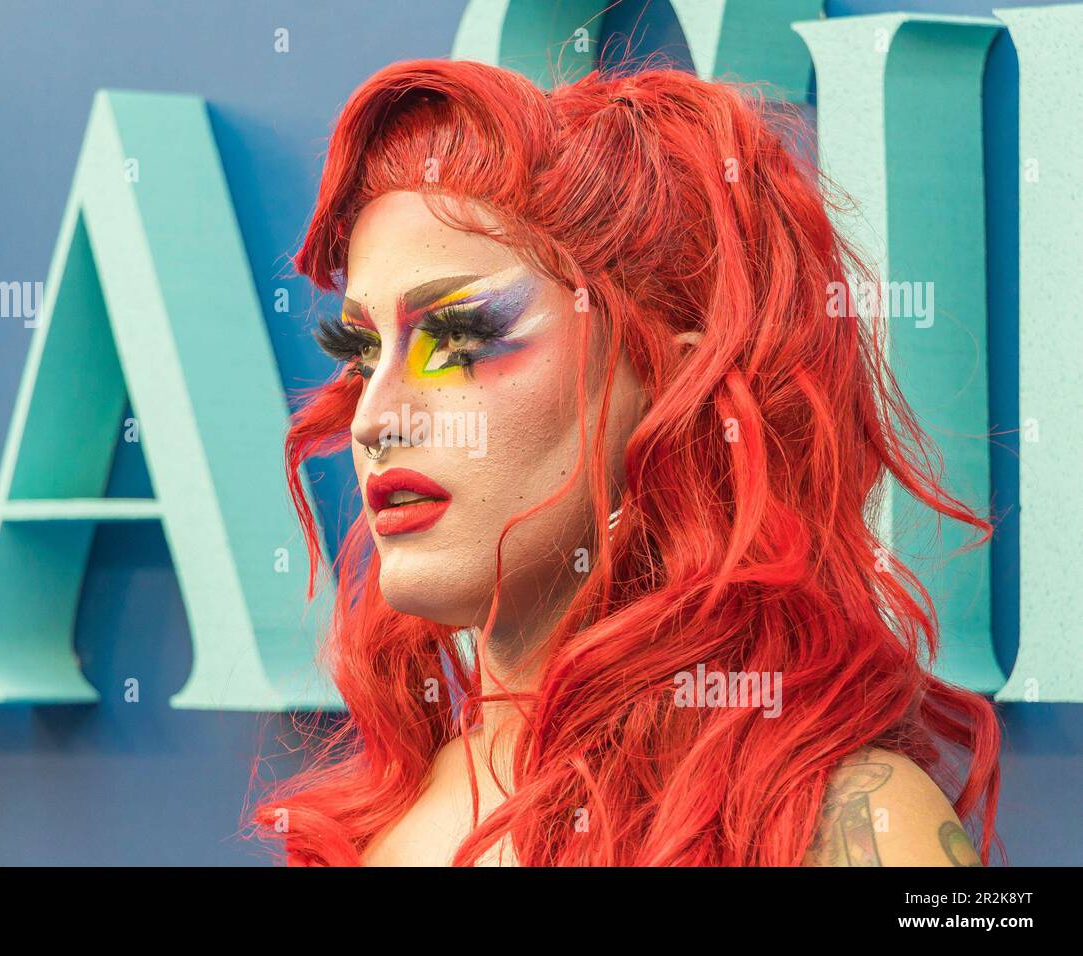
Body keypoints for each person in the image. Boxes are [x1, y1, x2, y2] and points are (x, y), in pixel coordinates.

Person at [252, 57, 1000, 867]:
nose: (374, 419)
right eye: (363, 352)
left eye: (459, 340)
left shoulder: (851, 827)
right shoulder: (385, 820)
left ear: (673, 382)